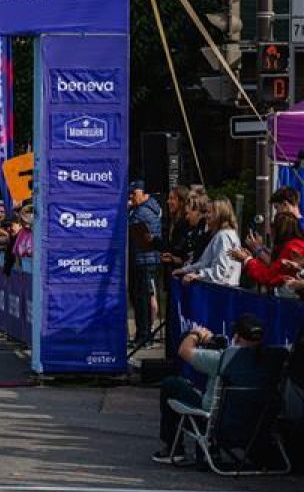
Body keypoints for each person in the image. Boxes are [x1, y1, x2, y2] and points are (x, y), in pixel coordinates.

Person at [152, 313, 271, 463]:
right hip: (254, 423)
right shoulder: (270, 360)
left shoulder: (222, 359)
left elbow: (184, 350)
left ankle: (174, 449)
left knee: (172, 384)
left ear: (237, 337)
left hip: (215, 422)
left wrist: (195, 334)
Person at [172, 198, 241, 287]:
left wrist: (198, 275)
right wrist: (185, 270)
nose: (206, 216)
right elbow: (205, 262)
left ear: (220, 214)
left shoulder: (223, 236)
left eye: (209, 212)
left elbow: (221, 271)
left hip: (222, 291)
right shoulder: (221, 234)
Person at [128, 180, 162, 347]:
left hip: (144, 260)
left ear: (143, 193)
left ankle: (144, 335)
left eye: (134, 193)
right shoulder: (145, 209)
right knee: (144, 298)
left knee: (142, 300)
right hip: (144, 259)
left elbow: (128, 228)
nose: (131, 197)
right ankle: (144, 333)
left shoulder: (142, 212)